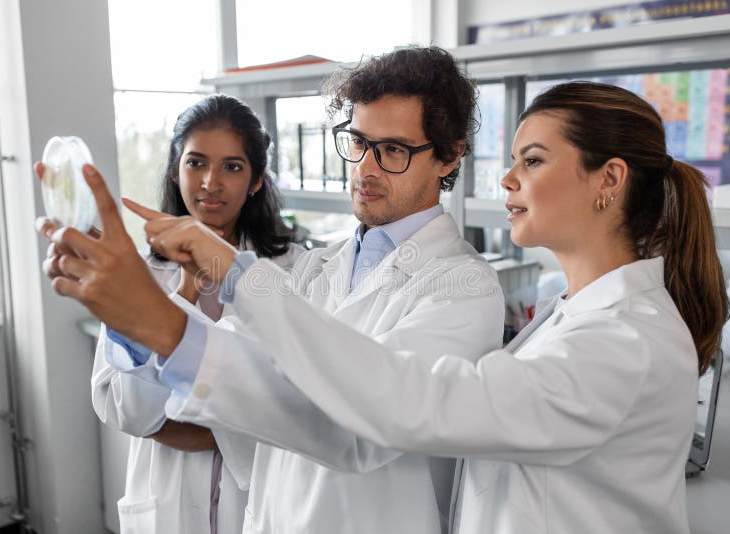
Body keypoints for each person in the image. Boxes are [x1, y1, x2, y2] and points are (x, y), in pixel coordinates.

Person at [137, 81, 730, 533]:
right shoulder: (571, 317)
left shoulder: (623, 342)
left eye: (534, 160)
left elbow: (415, 400)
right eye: (360, 144)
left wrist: (231, 279)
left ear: (609, 180)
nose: (507, 180)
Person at [38, 46, 505, 533]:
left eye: (392, 150)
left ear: (449, 156)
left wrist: (169, 311)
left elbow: (360, 430)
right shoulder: (318, 267)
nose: (365, 168)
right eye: (359, 142)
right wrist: (138, 311)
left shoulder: (466, 288)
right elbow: (230, 362)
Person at [40, 94, 302, 534]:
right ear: (176, 169)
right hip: (170, 499)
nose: (210, 183)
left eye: (232, 167)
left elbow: (296, 404)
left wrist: (195, 427)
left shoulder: (291, 269)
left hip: (261, 494)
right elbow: (132, 414)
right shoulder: (138, 274)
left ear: (256, 180)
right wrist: (183, 290)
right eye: (196, 163)